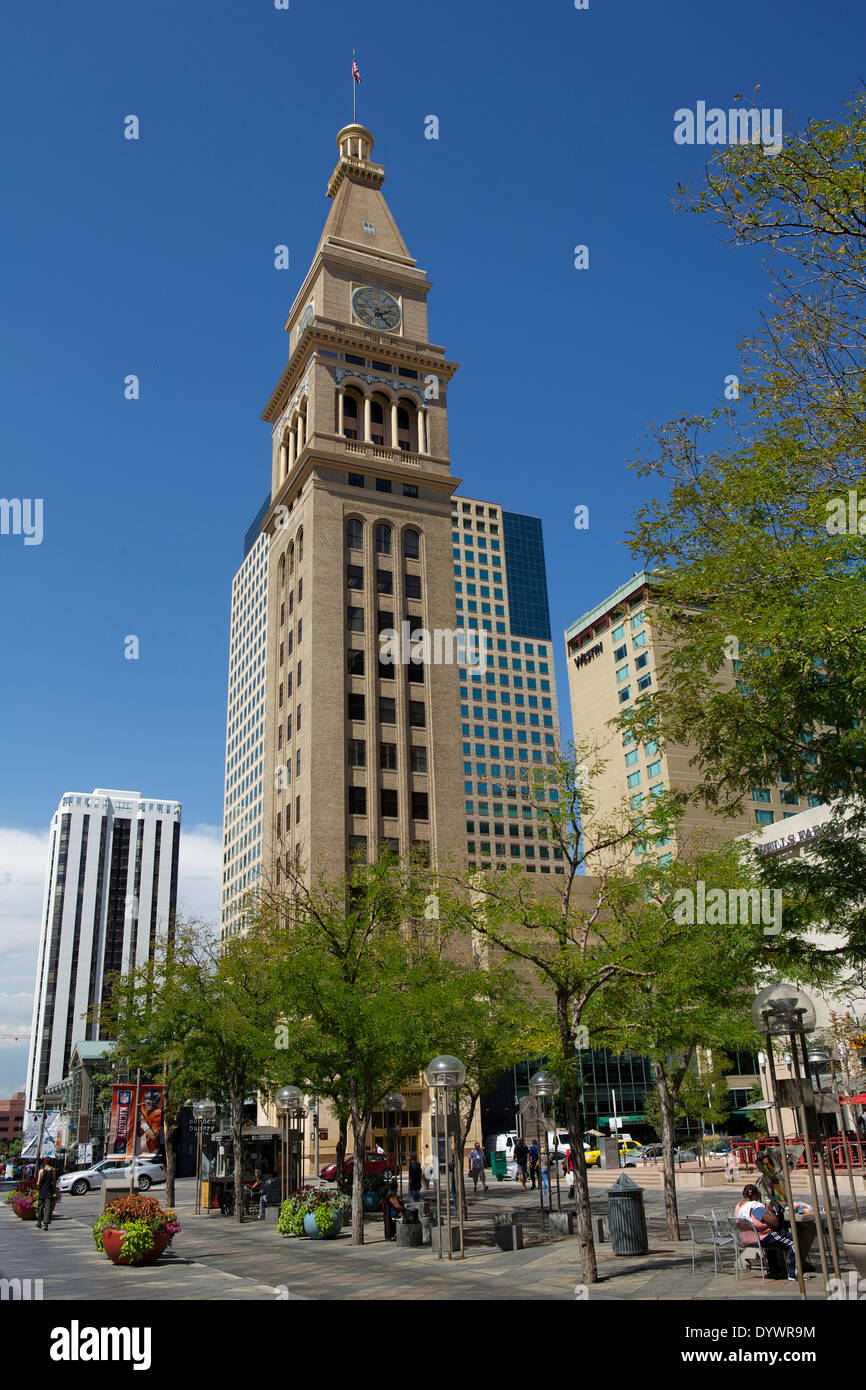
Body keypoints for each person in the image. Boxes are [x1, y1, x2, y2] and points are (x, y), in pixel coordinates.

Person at [735, 1184, 798, 1282]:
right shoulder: (756, 1207)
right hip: (761, 1238)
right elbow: (775, 1223)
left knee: (783, 1237)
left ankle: (777, 1269)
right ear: (755, 1195)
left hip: (745, 1238)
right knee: (794, 1242)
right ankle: (793, 1273)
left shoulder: (740, 1206)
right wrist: (768, 1209)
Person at [35, 1158, 56, 1230]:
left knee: (40, 1207)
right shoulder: (53, 1170)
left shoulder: (41, 1171)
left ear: (45, 1162)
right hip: (49, 1191)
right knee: (48, 1208)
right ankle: (45, 1224)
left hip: (42, 1191)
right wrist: (54, 1189)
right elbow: (54, 1181)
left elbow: (38, 1182)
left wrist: (38, 1187)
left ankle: (39, 1222)